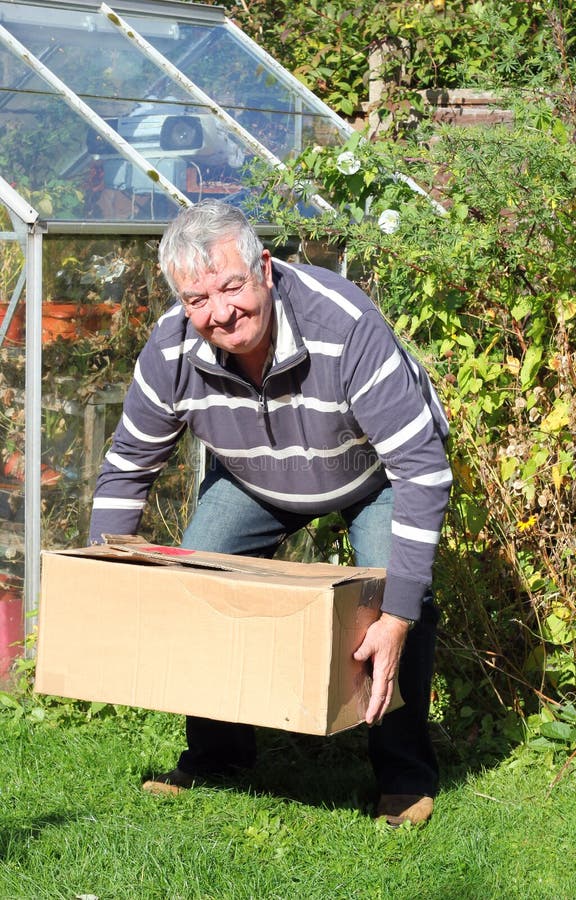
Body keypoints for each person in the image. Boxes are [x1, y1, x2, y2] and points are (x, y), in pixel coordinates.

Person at [89, 200, 452, 826]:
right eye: (197, 299)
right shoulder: (171, 349)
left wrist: (396, 613)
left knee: (395, 597)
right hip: (255, 475)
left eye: (232, 287)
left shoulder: (345, 326)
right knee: (201, 577)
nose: (220, 312)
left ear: (263, 267)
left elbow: (421, 468)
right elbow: (128, 464)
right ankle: (218, 757)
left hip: (372, 472)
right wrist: (106, 582)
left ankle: (403, 776)